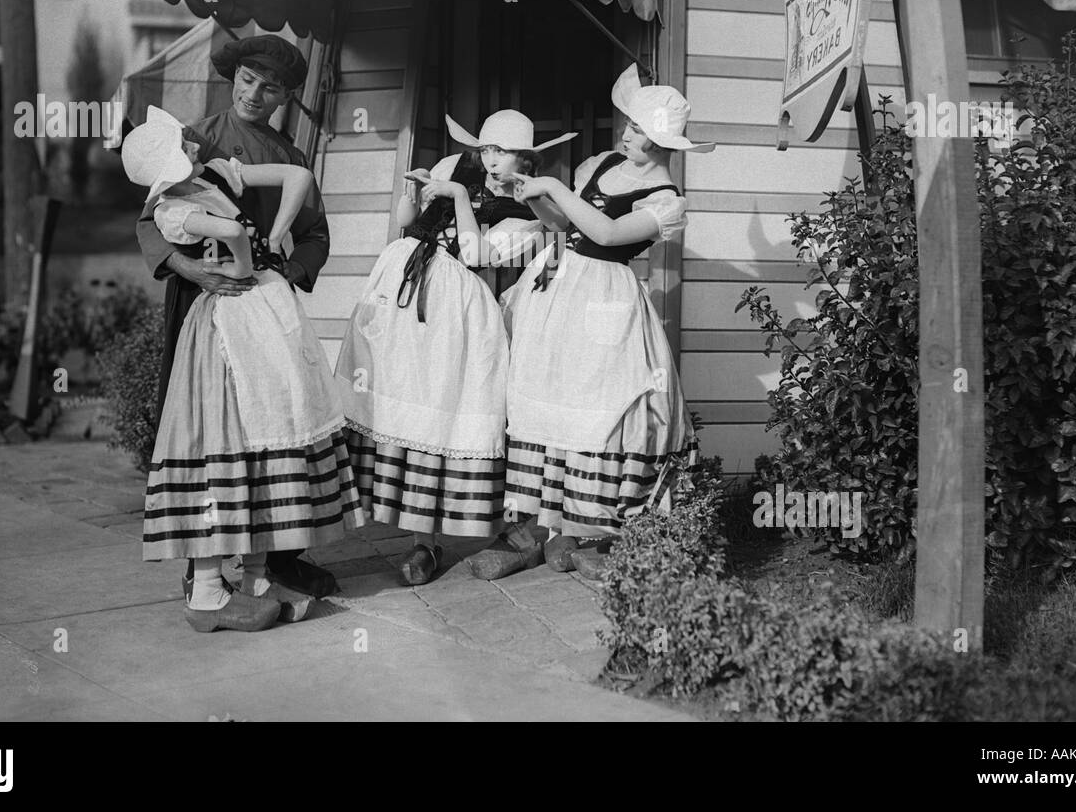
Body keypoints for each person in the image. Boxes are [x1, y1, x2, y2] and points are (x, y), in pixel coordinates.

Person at [123, 106, 363, 632]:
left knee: (270, 432)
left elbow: (298, 177)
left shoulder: (217, 171)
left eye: (186, 142)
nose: (192, 148)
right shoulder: (170, 208)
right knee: (222, 440)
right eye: (180, 149)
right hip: (221, 324)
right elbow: (230, 230)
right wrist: (244, 263)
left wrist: (278, 231)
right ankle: (207, 592)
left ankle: (254, 576)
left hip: (264, 320)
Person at [467, 65, 708, 582]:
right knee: (541, 392)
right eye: (629, 124)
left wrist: (552, 181)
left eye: (641, 131)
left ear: (665, 142)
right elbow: (562, 225)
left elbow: (606, 230)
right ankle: (536, 527)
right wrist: (535, 197)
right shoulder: (601, 163)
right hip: (559, 285)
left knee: (598, 404)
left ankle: (587, 528)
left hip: (607, 295)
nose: (627, 134)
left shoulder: (666, 201)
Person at [335, 111, 574, 585]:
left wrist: (460, 198)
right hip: (402, 284)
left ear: (525, 158)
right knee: (394, 399)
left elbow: (476, 254)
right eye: (486, 149)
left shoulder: (531, 212)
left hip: (457, 307)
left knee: (439, 411)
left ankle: (429, 539)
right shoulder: (454, 165)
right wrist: (415, 192)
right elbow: (407, 223)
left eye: (501, 152)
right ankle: (410, 534)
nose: (490, 160)